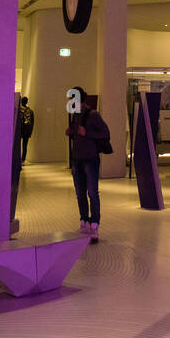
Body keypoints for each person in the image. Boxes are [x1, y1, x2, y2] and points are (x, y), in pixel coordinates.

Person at [65, 87, 110, 242]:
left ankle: (94, 225)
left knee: (92, 193)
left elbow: (105, 133)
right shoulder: (74, 115)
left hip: (90, 159)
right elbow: (77, 134)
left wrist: (87, 133)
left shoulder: (93, 115)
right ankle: (84, 221)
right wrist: (71, 132)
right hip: (77, 159)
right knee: (80, 193)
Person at [17, 96, 34, 164]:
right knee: (19, 146)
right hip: (20, 130)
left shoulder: (30, 111)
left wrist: (30, 132)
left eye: (25, 100)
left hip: (26, 131)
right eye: (23, 100)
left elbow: (32, 122)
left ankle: (23, 159)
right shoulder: (18, 110)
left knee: (24, 146)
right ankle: (19, 159)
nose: (24, 101)